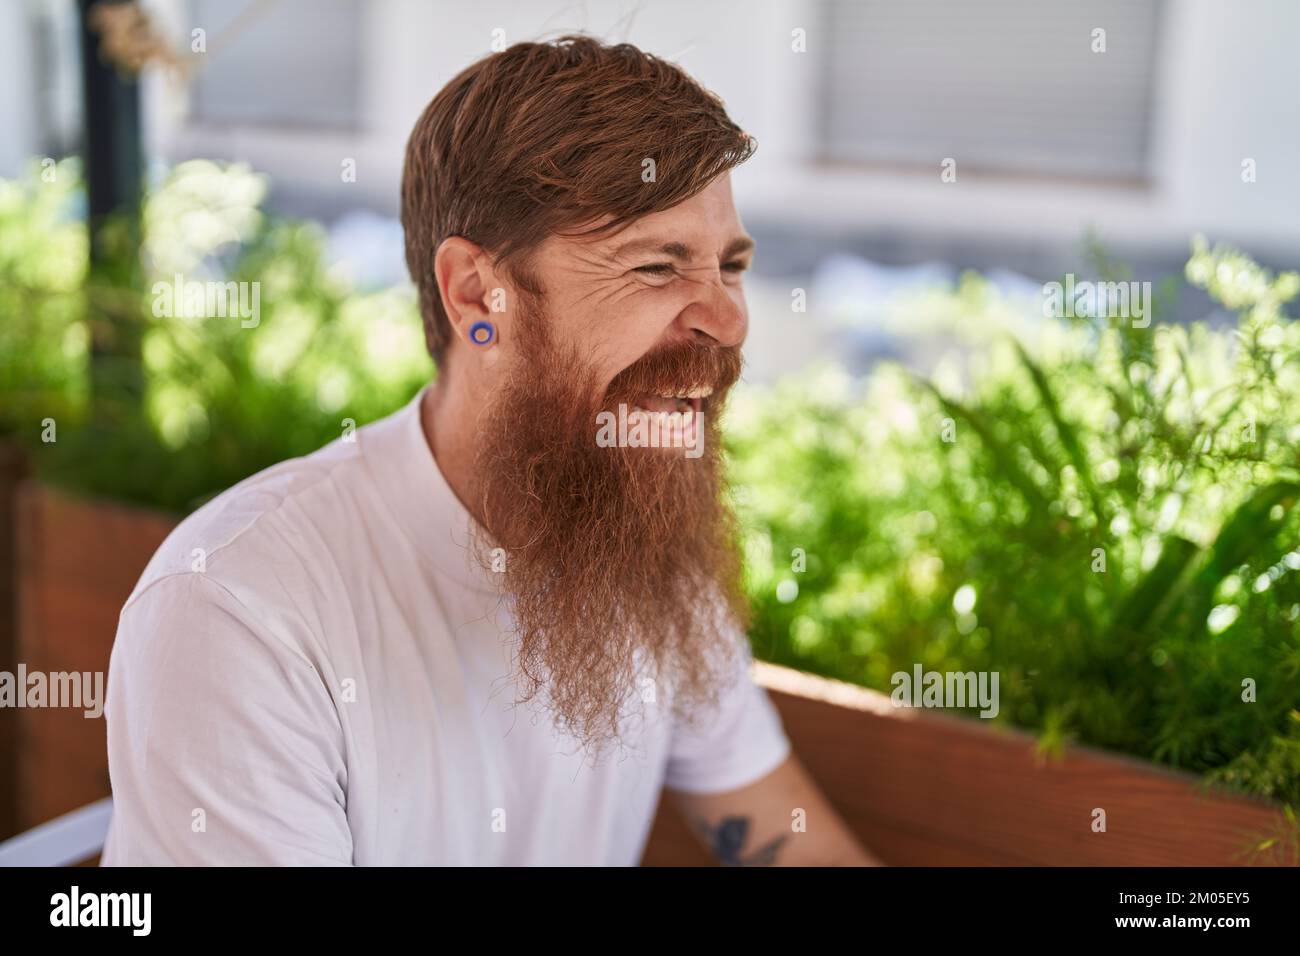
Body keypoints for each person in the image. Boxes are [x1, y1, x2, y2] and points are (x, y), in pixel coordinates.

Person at [102, 34, 878, 866]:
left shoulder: (645, 552)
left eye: (731, 266)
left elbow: (785, 840)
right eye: (657, 267)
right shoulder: (239, 609)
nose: (728, 321)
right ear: (478, 295)